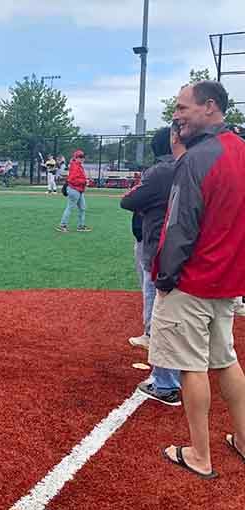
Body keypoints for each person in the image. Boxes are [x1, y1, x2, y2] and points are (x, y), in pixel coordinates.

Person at [151, 81, 245, 479]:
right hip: (228, 280)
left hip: (192, 280)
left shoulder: (196, 158)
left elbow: (178, 228)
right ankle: (243, 439)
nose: (177, 114)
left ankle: (200, 455)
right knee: (226, 361)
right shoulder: (241, 150)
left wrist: (164, 278)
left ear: (210, 107)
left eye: (182, 107)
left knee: (191, 367)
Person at [120, 126, 183, 406]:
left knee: (161, 307)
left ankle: (166, 381)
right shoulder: (190, 165)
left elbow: (129, 200)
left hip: (160, 247)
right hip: (183, 247)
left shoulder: (161, 171)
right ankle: (177, 372)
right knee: (178, 311)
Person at [55, 150, 91, 232]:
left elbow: (78, 178)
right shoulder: (75, 166)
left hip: (79, 189)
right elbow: (72, 180)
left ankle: (80, 226)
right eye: (80, 157)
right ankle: (62, 225)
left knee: (82, 208)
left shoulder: (79, 165)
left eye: (83, 157)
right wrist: (84, 181)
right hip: (74, 189)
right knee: (70, 207)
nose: (82, 158)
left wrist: (85, 181)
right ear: (76, 157)